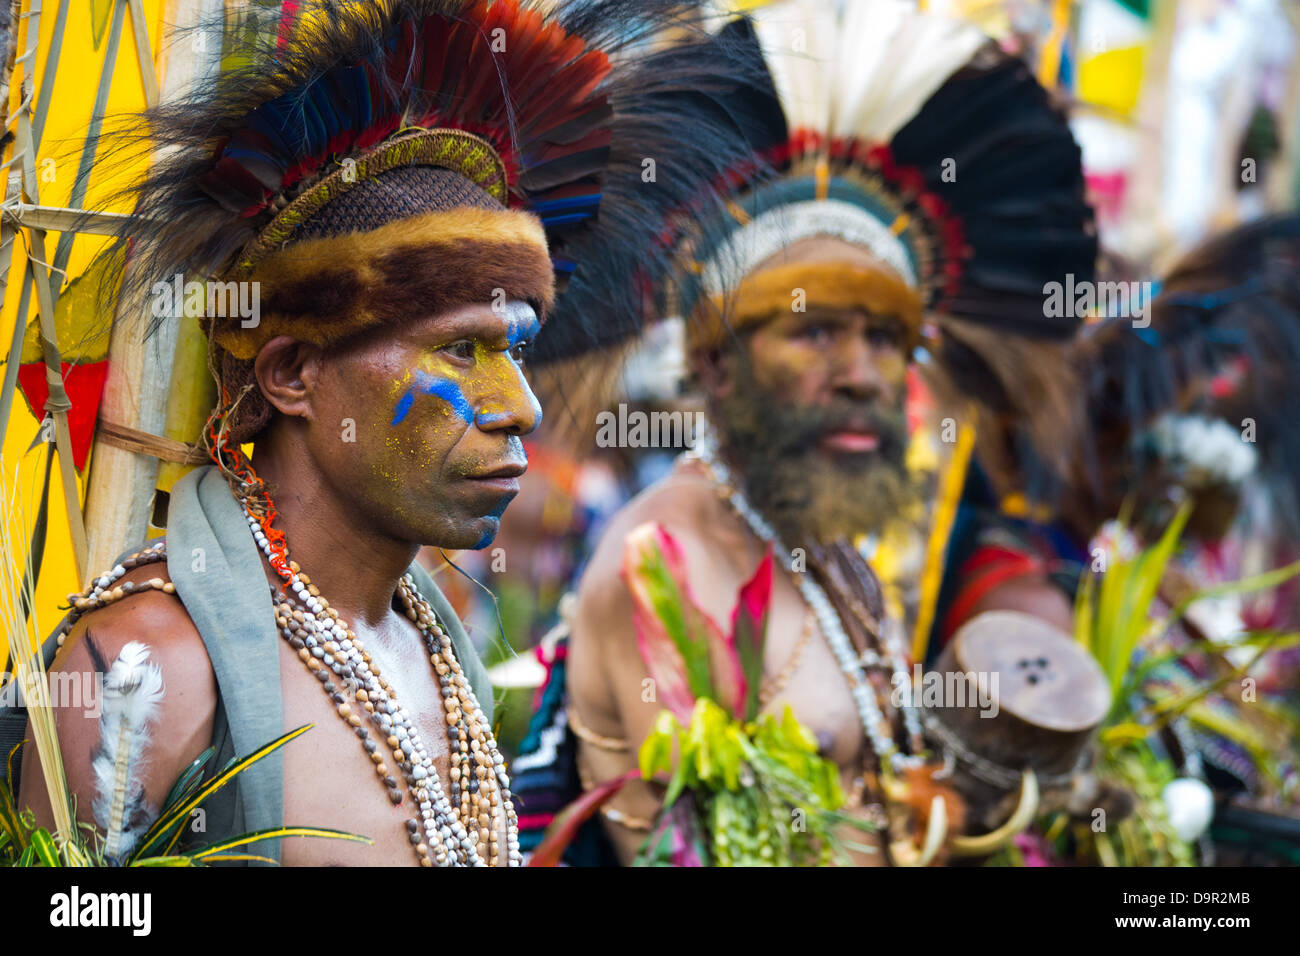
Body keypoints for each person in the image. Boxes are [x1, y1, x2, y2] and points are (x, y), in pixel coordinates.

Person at [15, 0, 732, 867]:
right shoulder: (148, 665)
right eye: (460, 350)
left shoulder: (424, 645)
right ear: (291, 375)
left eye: (516, 348)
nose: (520, 406)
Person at [516, 0, 1099, 864]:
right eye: (816, 332)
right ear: (715, 363)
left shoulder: (836, 562)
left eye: (885, 339)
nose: (862, 375)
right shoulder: (663, 563)